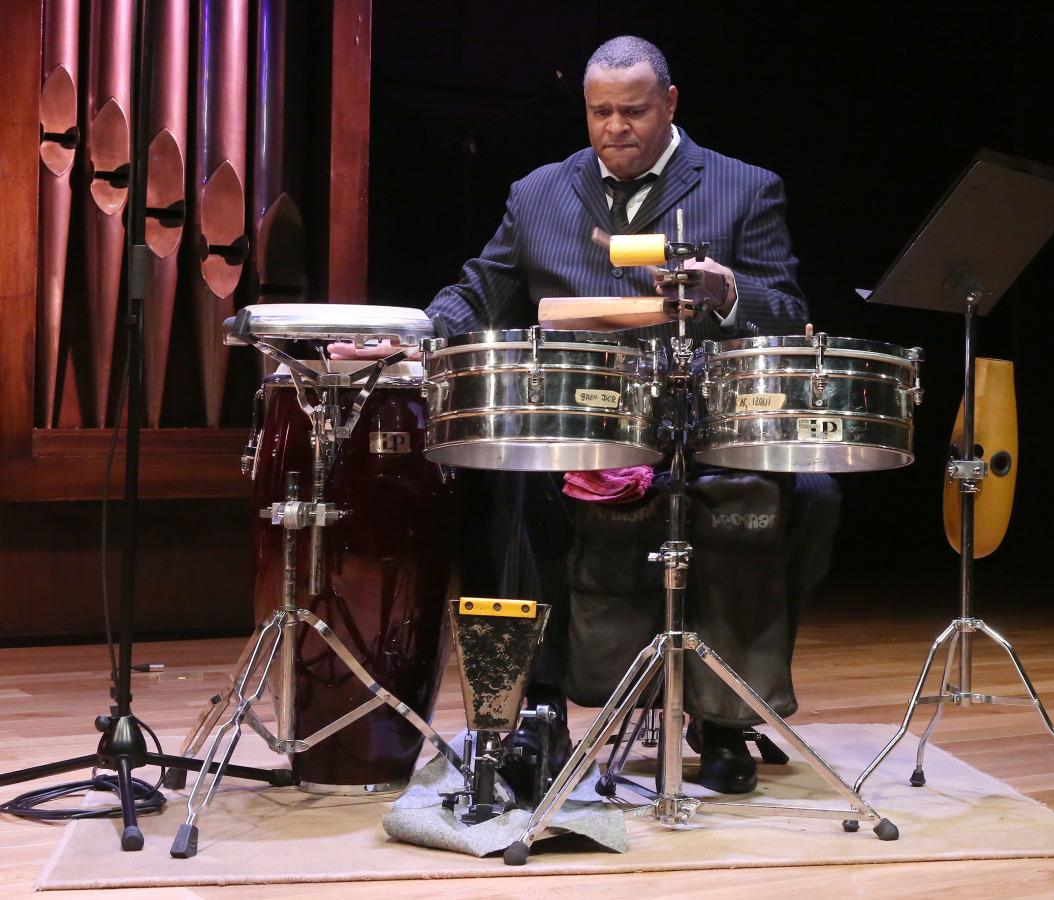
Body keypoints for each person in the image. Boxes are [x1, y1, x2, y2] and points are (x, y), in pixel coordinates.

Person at [341, 35, 839, 796]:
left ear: (669, 105)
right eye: (600, 112)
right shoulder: (538, 193)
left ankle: (725, 713)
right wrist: (410, 332)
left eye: (633, 111)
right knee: (503, 482)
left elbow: (788, 312)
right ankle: (532, 711)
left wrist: (725, 291)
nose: (616, 127)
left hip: (696, 423)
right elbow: (479, 292)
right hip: (577, 424)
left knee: (811, 496)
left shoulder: (745, 188)